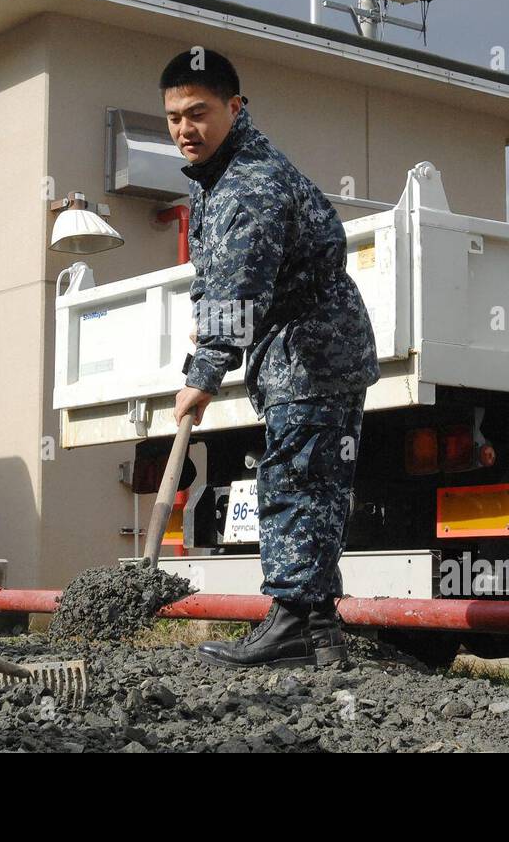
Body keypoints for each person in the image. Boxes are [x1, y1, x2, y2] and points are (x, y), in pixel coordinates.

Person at [161, 48, 380, 668]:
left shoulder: (248, 184)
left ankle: (289, 625)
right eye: (174, 117)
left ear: (235, 107)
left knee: (296, 482)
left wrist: (204, 375)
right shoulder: (220, 180)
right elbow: (215, 281)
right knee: (311, 483)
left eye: (198, 113)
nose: (184, 129)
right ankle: (319, 633)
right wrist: (203, 352)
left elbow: (238, 290)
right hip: (302, 353)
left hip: (313, 354)